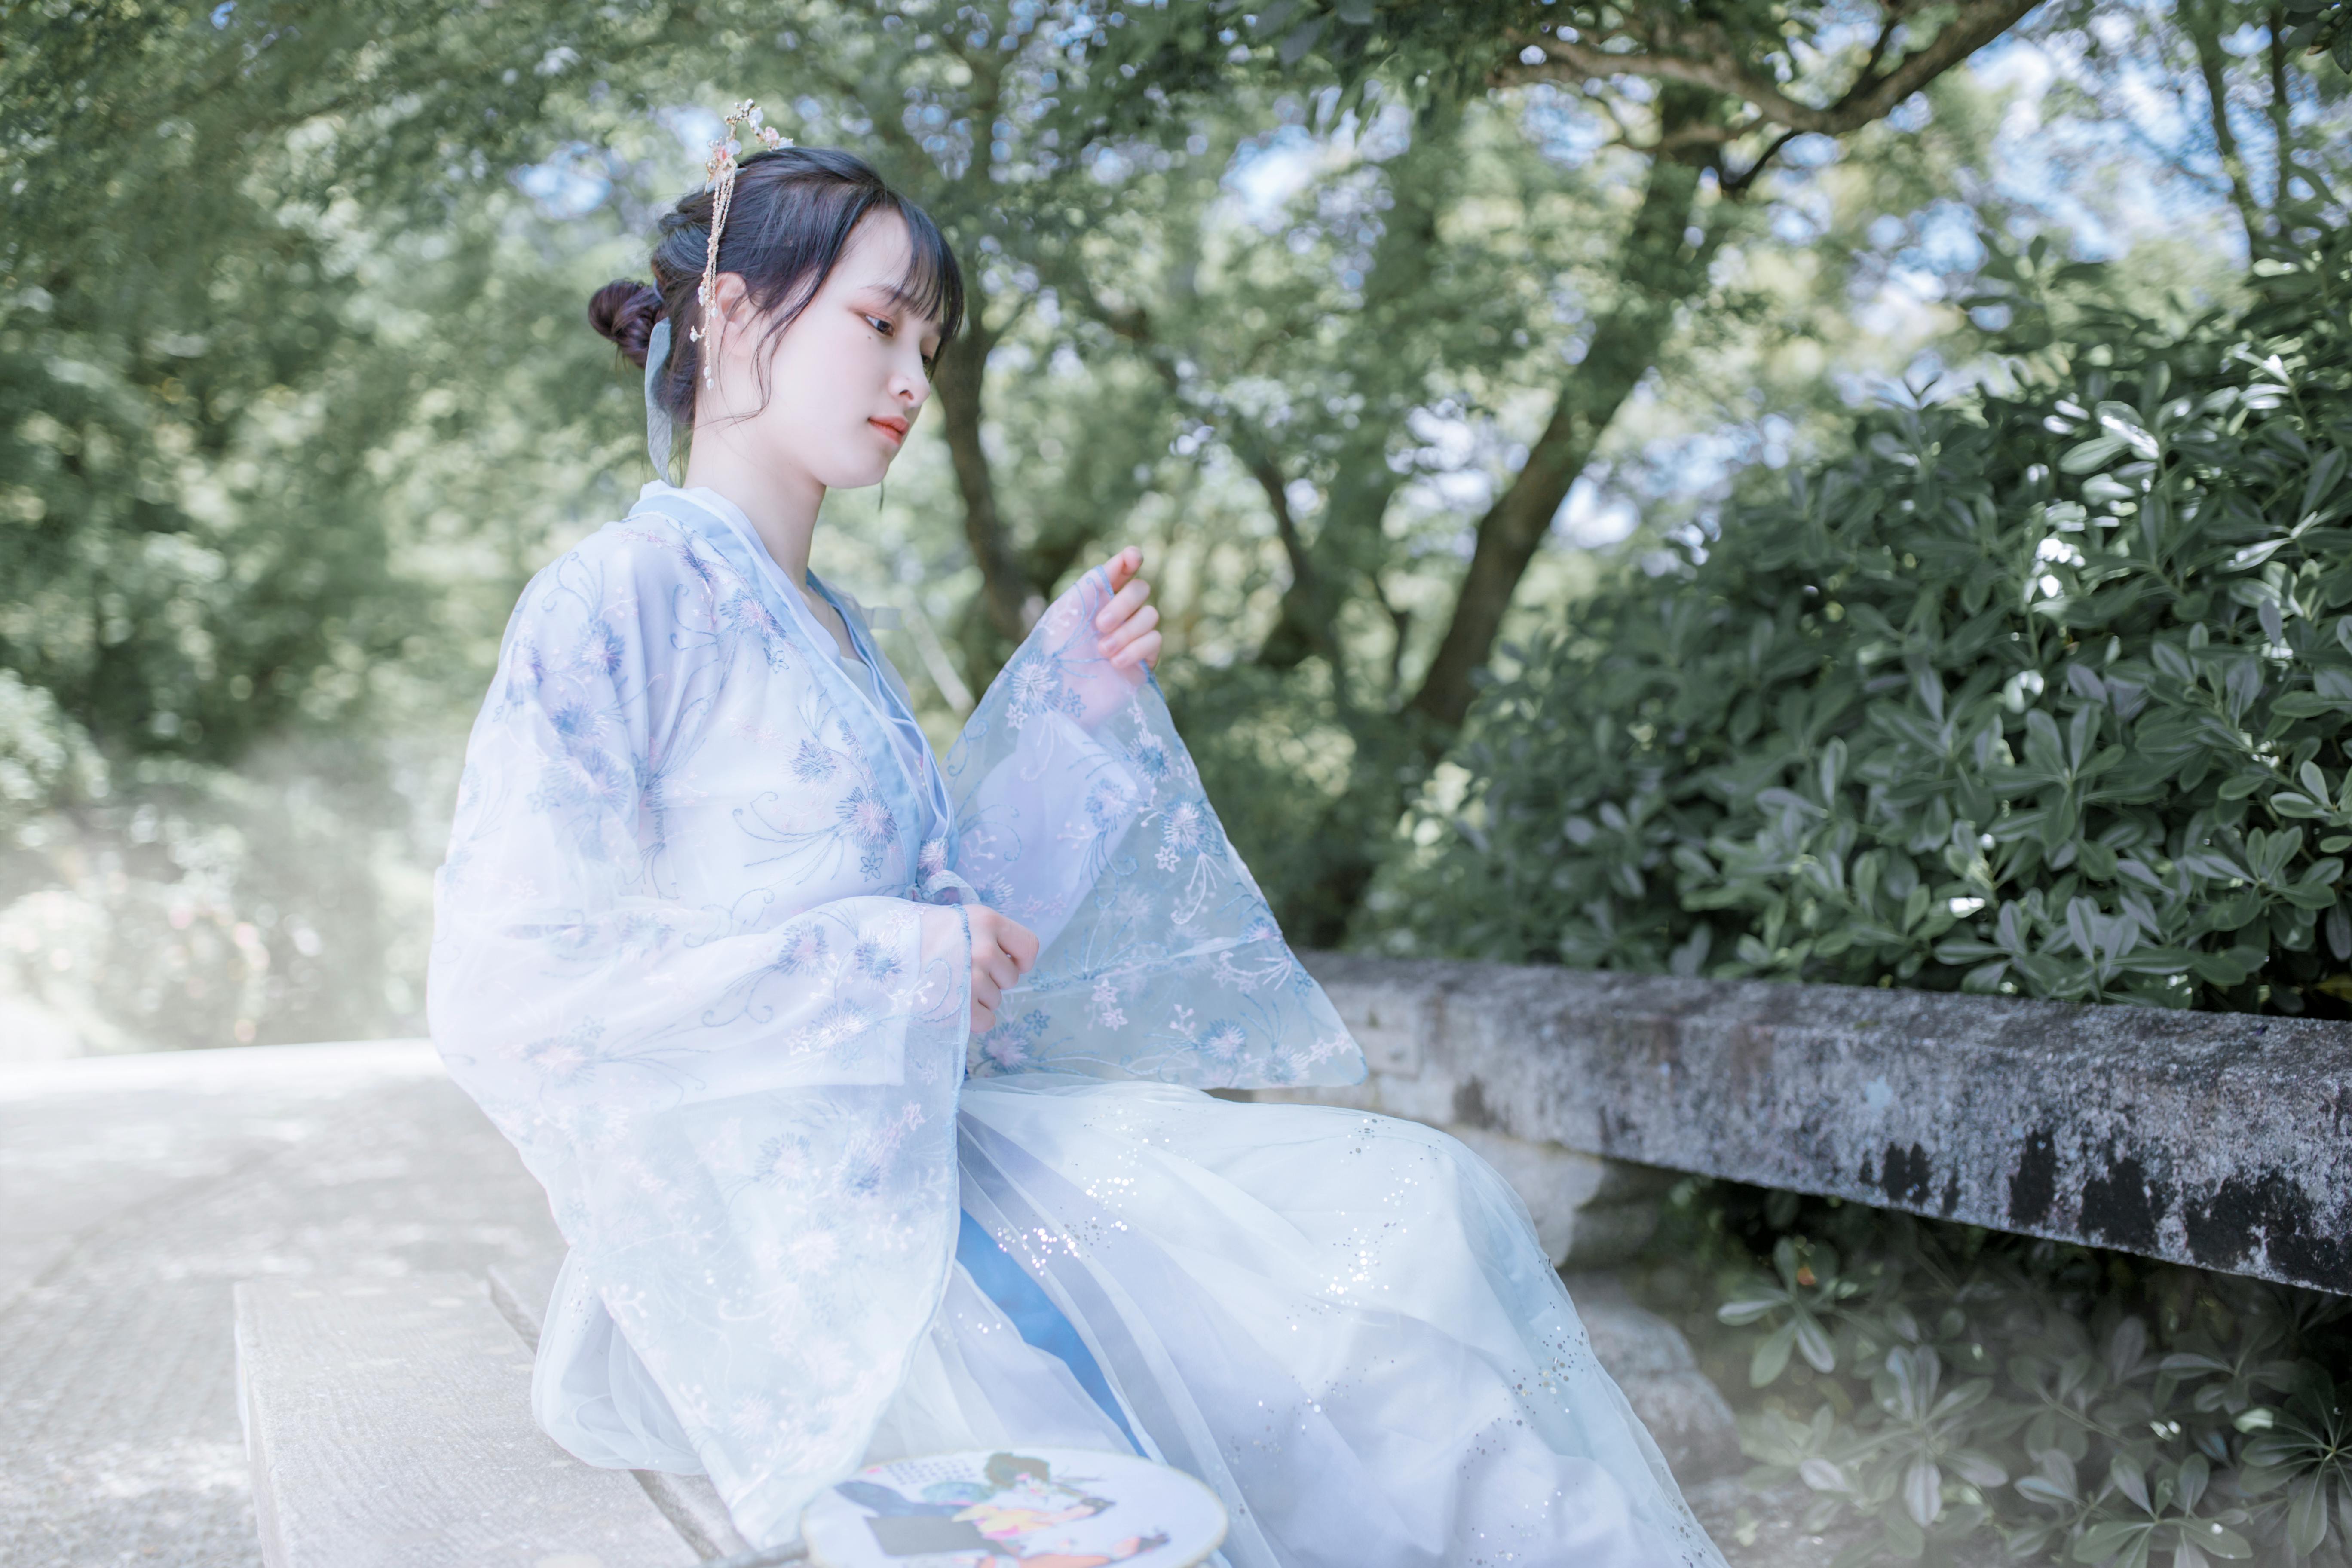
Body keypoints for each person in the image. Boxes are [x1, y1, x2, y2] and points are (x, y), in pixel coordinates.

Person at [427, 113, 1729, 1568]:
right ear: (730, 314)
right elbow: (506, 986)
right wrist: (876, 961)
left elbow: (958, 940)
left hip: (929, 1153)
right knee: (1283, 1373)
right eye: (880, 325)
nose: (915, 382)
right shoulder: (614, 599)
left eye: (930, 345)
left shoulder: (838, 634)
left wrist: (1060, 722)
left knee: (1413, 1215)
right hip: (787, 1230)